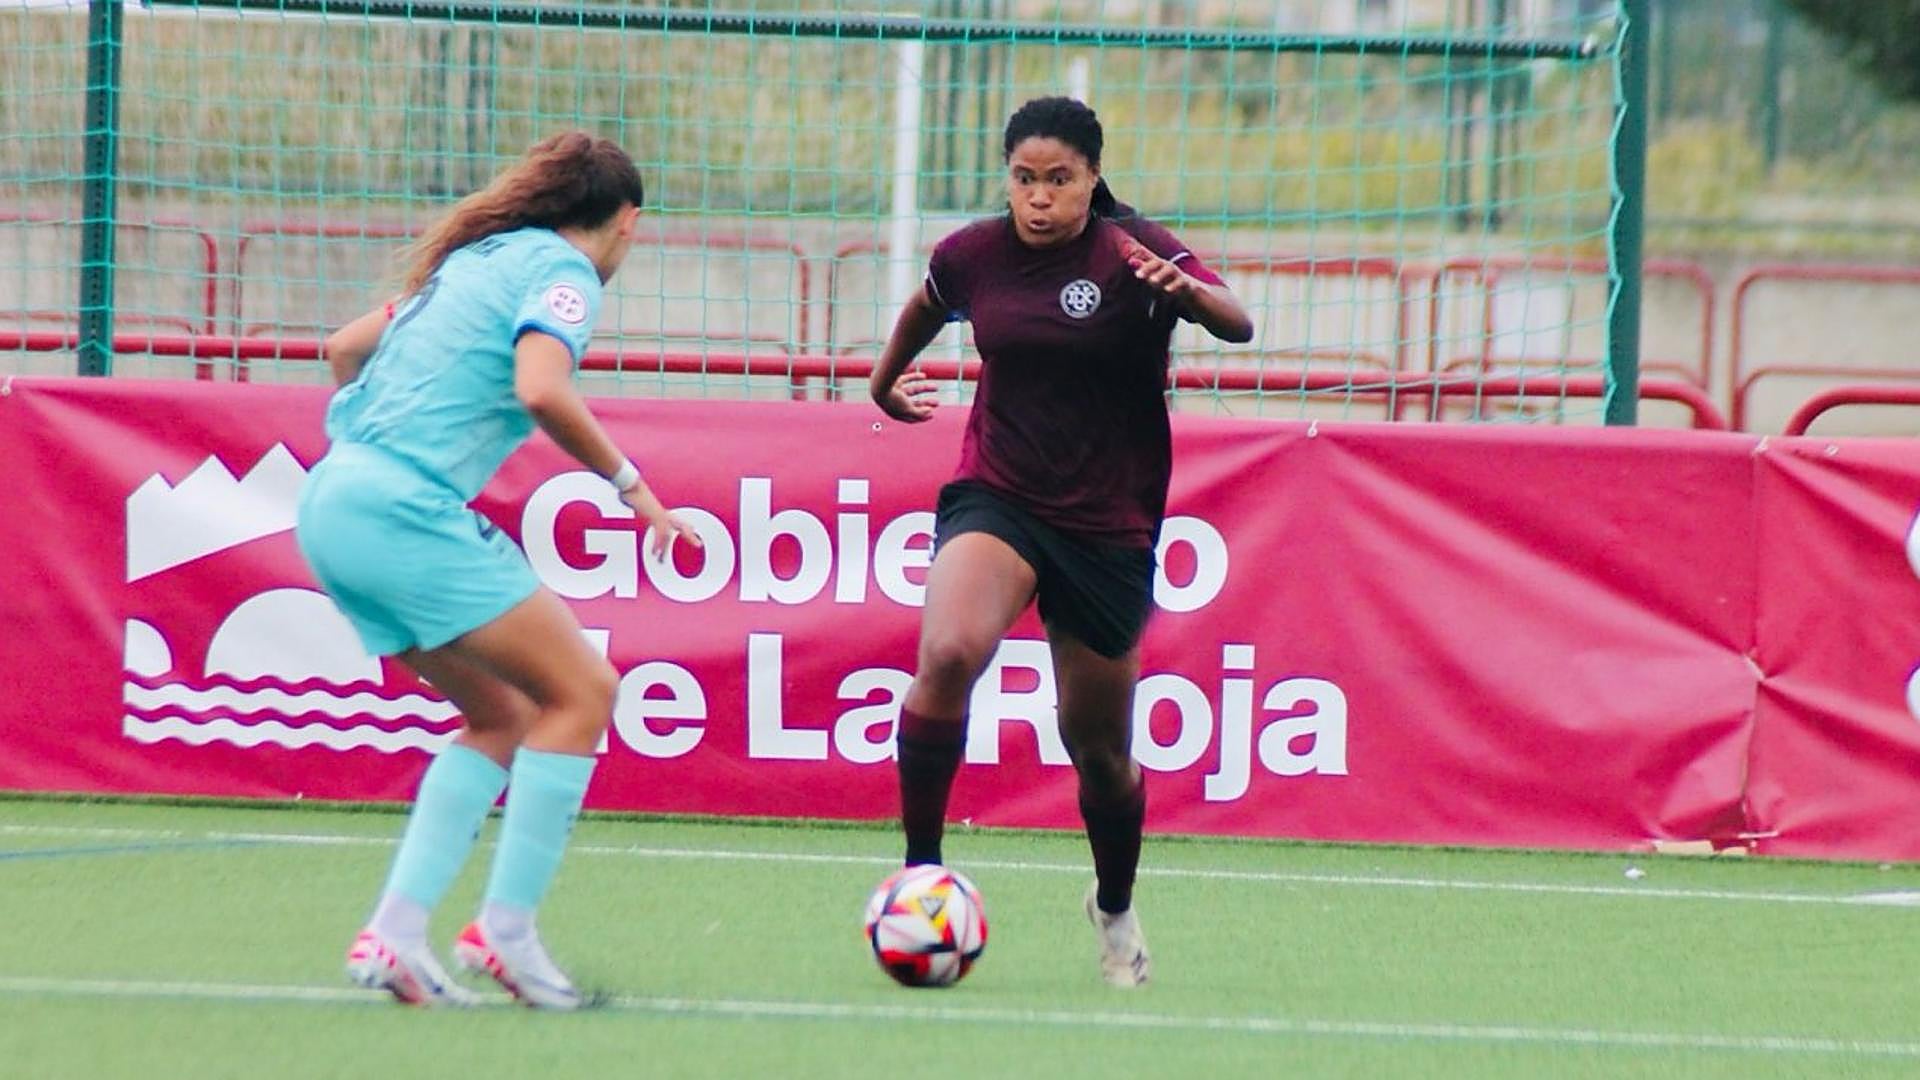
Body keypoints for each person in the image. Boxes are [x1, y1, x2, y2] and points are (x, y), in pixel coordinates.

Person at [296, 131, 698, 1010]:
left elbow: (340, 351)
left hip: (332, 500)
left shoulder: (477, 260)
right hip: (402, 509)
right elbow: (542, 388)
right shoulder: (567, 274)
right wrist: (635, 491)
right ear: (627, 221)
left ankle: (395, 935)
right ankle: (505, 934)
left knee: (504, 714)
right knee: (585, 692)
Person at [868, 97, 1253, 988]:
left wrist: (1189, 293)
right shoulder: (973, 254)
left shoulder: (1133, 250)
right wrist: (885, 383)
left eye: (1059, 180)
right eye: (1024, 179)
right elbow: (927, 307)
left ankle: (1114, 908)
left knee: (1100, 751)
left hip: (1108, 524)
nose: (1039, 198)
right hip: (999, 495)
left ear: (1092, 178)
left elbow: (1238, 322)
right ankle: (922, 874)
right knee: (950, 650)